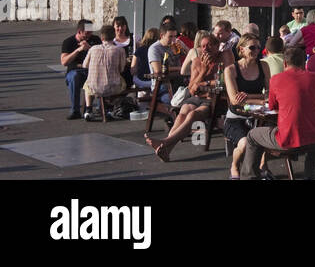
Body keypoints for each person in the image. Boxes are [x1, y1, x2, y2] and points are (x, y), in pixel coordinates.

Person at [238, 46, 315, 180]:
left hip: (290, 139)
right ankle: (310, 176)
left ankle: (249, 177)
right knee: (313, 134)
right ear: (304, 63)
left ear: (285, 63)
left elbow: (273, 106)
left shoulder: (276, 79)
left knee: (252, 136)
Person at [145, 32, 222, 162]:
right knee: (182, 114)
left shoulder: (222, 60)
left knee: (192, 115)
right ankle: (166, 149)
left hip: (211, 99)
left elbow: (222, 81)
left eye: (209, 45)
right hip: (197, 97)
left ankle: (165, 143)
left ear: (216, 46)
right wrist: (203, 71)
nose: (205, 49)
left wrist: (204, 82)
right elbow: (192, 89)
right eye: (203, 46)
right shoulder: (197, 62)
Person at [224, 34, 270, 179]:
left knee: (271, 137)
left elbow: (269, 95)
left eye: (258, 47)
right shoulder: (231, 70)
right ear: (241, 49)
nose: (256, 50)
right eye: (252, 47)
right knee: (244, 144)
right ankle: (235, 165)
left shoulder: (264, 65)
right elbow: (234, 100)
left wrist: (249, 97)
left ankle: (263, 166)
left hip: (259, 116)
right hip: (236, 118)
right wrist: (260, 100)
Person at [82, 24, 128, 119]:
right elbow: (122, 69)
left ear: (102, 37)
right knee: (123, 81)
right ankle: (111, 108)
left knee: (87, 84)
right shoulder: (120, 50)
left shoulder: (93, 49)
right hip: (113, 87)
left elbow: (85, 65)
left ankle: (88, 109)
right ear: (114, 35)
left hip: (94, 86)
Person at [60, 20, 101, 119]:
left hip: (91, 70)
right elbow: (64, 62)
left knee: (101, 75)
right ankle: (75, 110)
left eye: (91, 32)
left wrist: (90, 49)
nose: (89, 35)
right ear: (79, 32)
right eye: (87, 33)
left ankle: (101, 107)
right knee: (74, 77)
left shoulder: (95, 40)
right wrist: (78, 50)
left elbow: (101, 55)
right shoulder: (68, 42)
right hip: (75, 70)